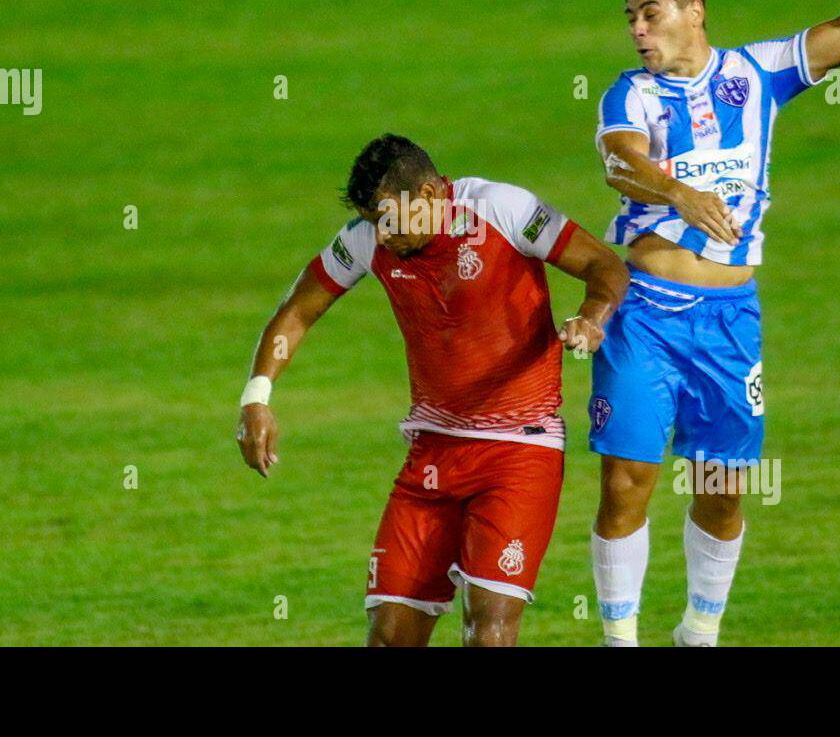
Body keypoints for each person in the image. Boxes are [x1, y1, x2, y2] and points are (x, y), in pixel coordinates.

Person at [588, 0, 840, 646]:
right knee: (627, 480)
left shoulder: (757, 72)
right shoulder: (629, 93)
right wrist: (675, 193)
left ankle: (700, 629)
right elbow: (620, 163)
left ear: (693, 12)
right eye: (631, 16)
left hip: (731, 317)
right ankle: (618, 638)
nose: (638, 29)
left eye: (650, 12)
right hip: (648, 312)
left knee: (723, 488)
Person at [237, 134, 628, 645]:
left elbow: (605, 266)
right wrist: (256, 397)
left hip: (519, 452)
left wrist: (591, 318)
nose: (380, 236)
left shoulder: (501, 209)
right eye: (373, 221)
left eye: (388, 219)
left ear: (427, 195)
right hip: (432, 454)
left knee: (486, 633)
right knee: (388, 637)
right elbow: (297, 311)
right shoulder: (365, 239)